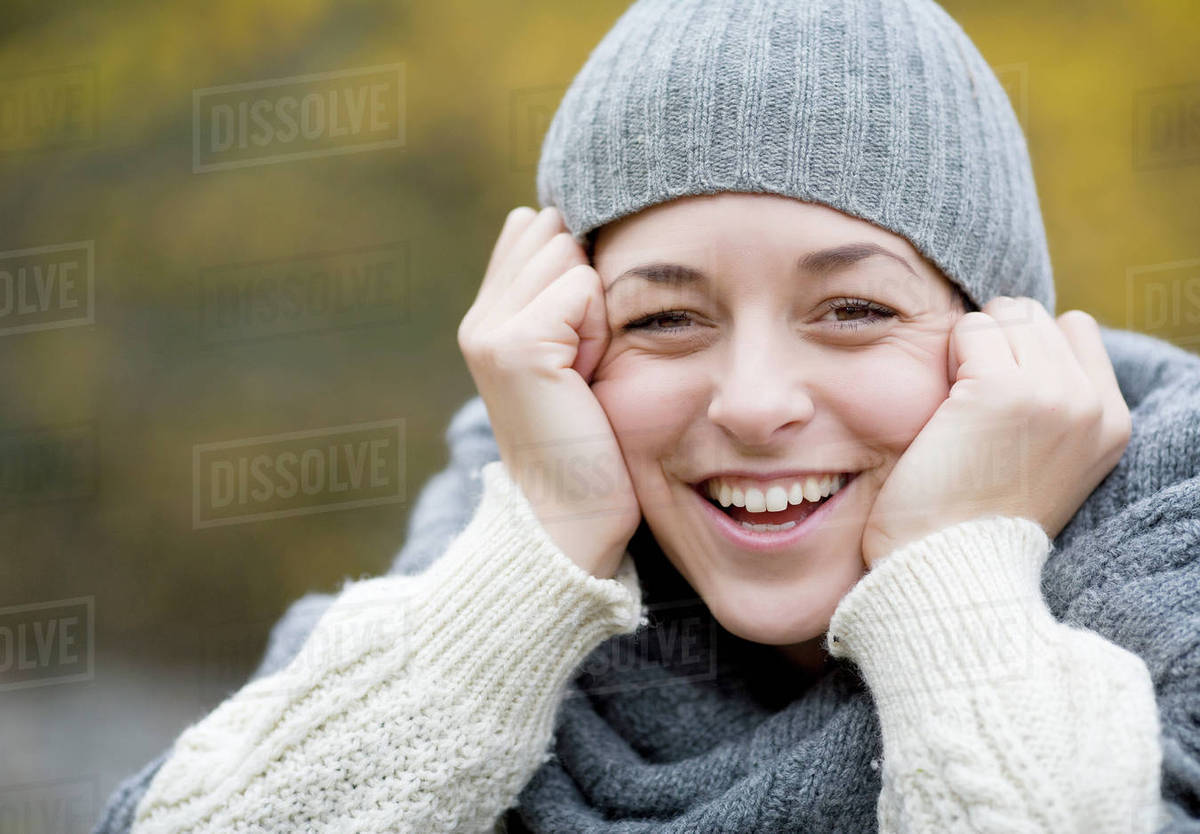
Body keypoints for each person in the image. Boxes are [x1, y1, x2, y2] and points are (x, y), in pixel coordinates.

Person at [94, 0, 1200, 831]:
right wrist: (539, 551)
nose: (755, 403)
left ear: (1001, 339)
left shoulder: (1167, 561)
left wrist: (953, 573)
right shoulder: (481, 561)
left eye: (855, 310)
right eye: (666, 320)